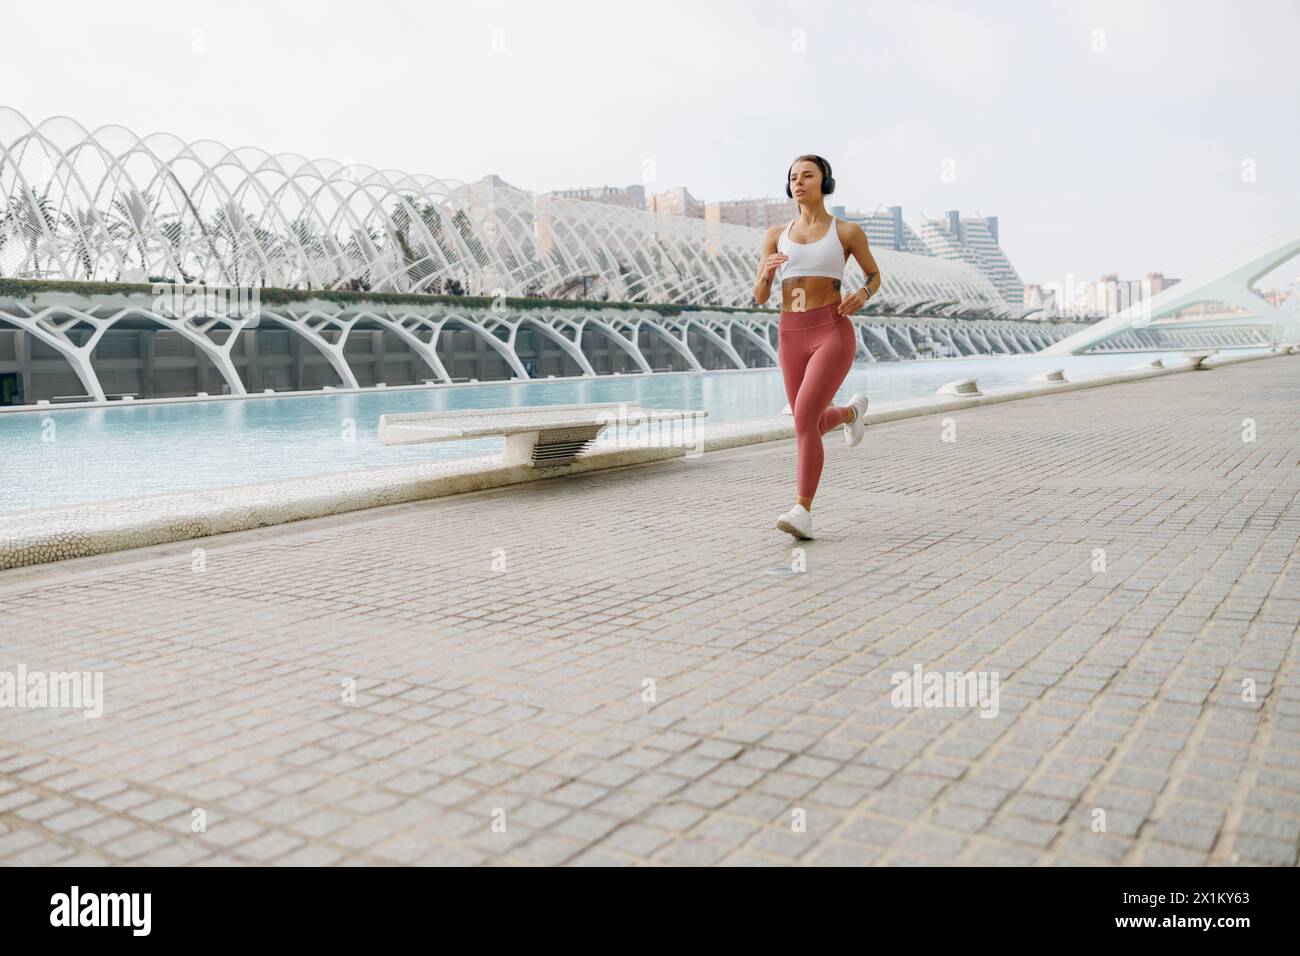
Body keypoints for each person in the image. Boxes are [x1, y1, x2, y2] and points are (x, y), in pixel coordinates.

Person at [753, 154, 882, 540]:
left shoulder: (846, 231)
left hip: (831, 331)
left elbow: (874, 275)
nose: (799, 182)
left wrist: (862, 293)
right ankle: (849, 414)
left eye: (807, 175)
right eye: (793, 177)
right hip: (789, 333)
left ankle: (802, 510)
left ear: (825, 183)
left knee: (804, 419)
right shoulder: (775, 235)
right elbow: (760, 296)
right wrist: (766, 273)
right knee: (804, 421)